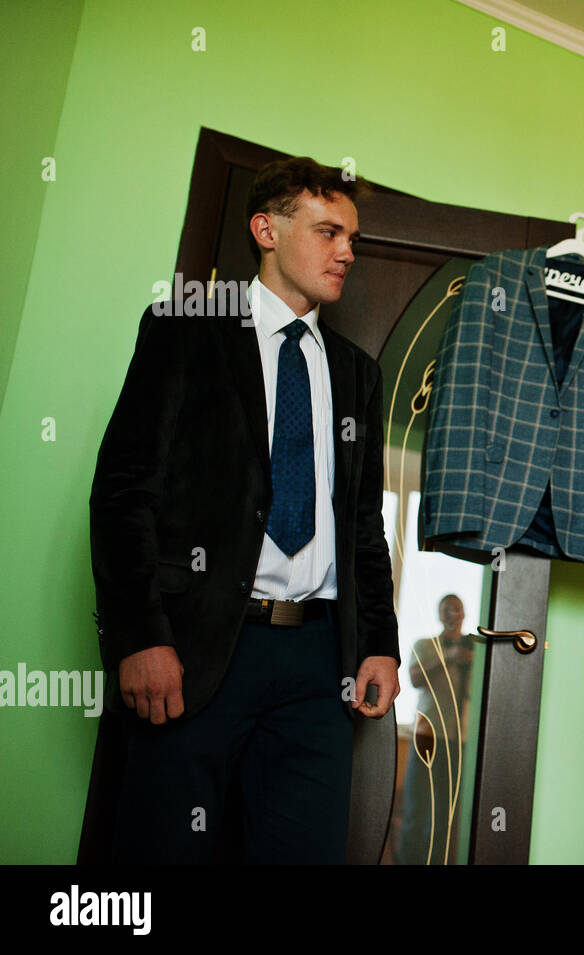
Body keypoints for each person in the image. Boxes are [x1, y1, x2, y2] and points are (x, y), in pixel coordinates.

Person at [89, 156, 401, 863]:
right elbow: (123, 490)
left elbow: (360, 524)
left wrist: (378, 638)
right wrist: (139, 634)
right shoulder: (184, 328)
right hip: (196, 650)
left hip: (318, 665)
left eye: (351, 236)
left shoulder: (357, 374)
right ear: (266, 228)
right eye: (328, 232)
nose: (347, 250)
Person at [395, 593, 475, 865]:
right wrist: (449, 657)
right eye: (448, 609)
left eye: (458, 609)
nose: (453, 613)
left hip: (459, 739)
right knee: (417, 806)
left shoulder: (474, 650)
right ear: (440, 615)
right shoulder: (426, 645)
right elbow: (415, 679)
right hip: (427, 735)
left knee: (445, 813)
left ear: (463, 614)